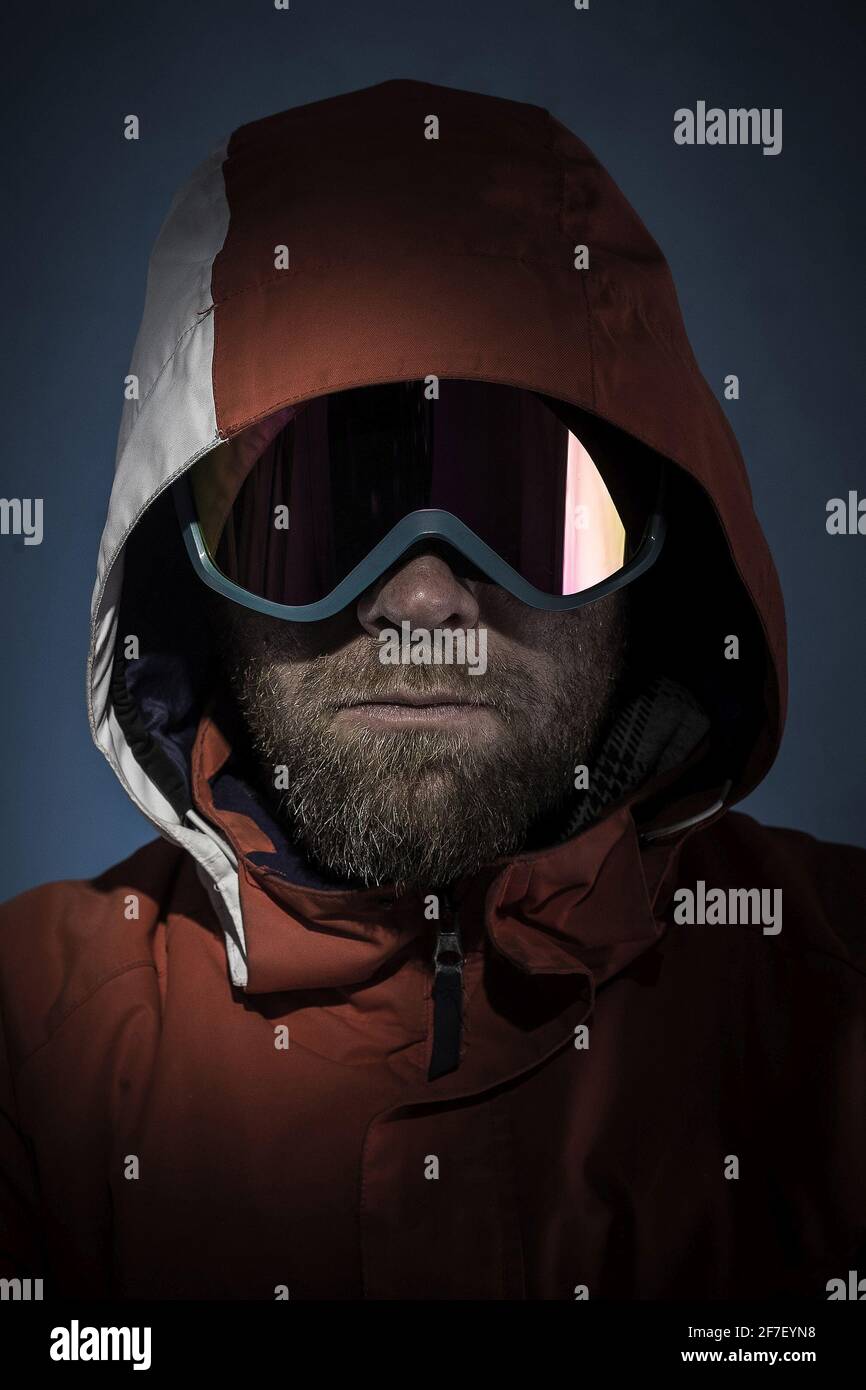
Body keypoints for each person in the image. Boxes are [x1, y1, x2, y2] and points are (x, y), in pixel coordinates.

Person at [1, 77, 863, 1302]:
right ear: (191, 582)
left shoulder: (835, 1014)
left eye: (524, 507)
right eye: (315, 521)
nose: (420, 604)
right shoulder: (35, 1059)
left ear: (654, 566)